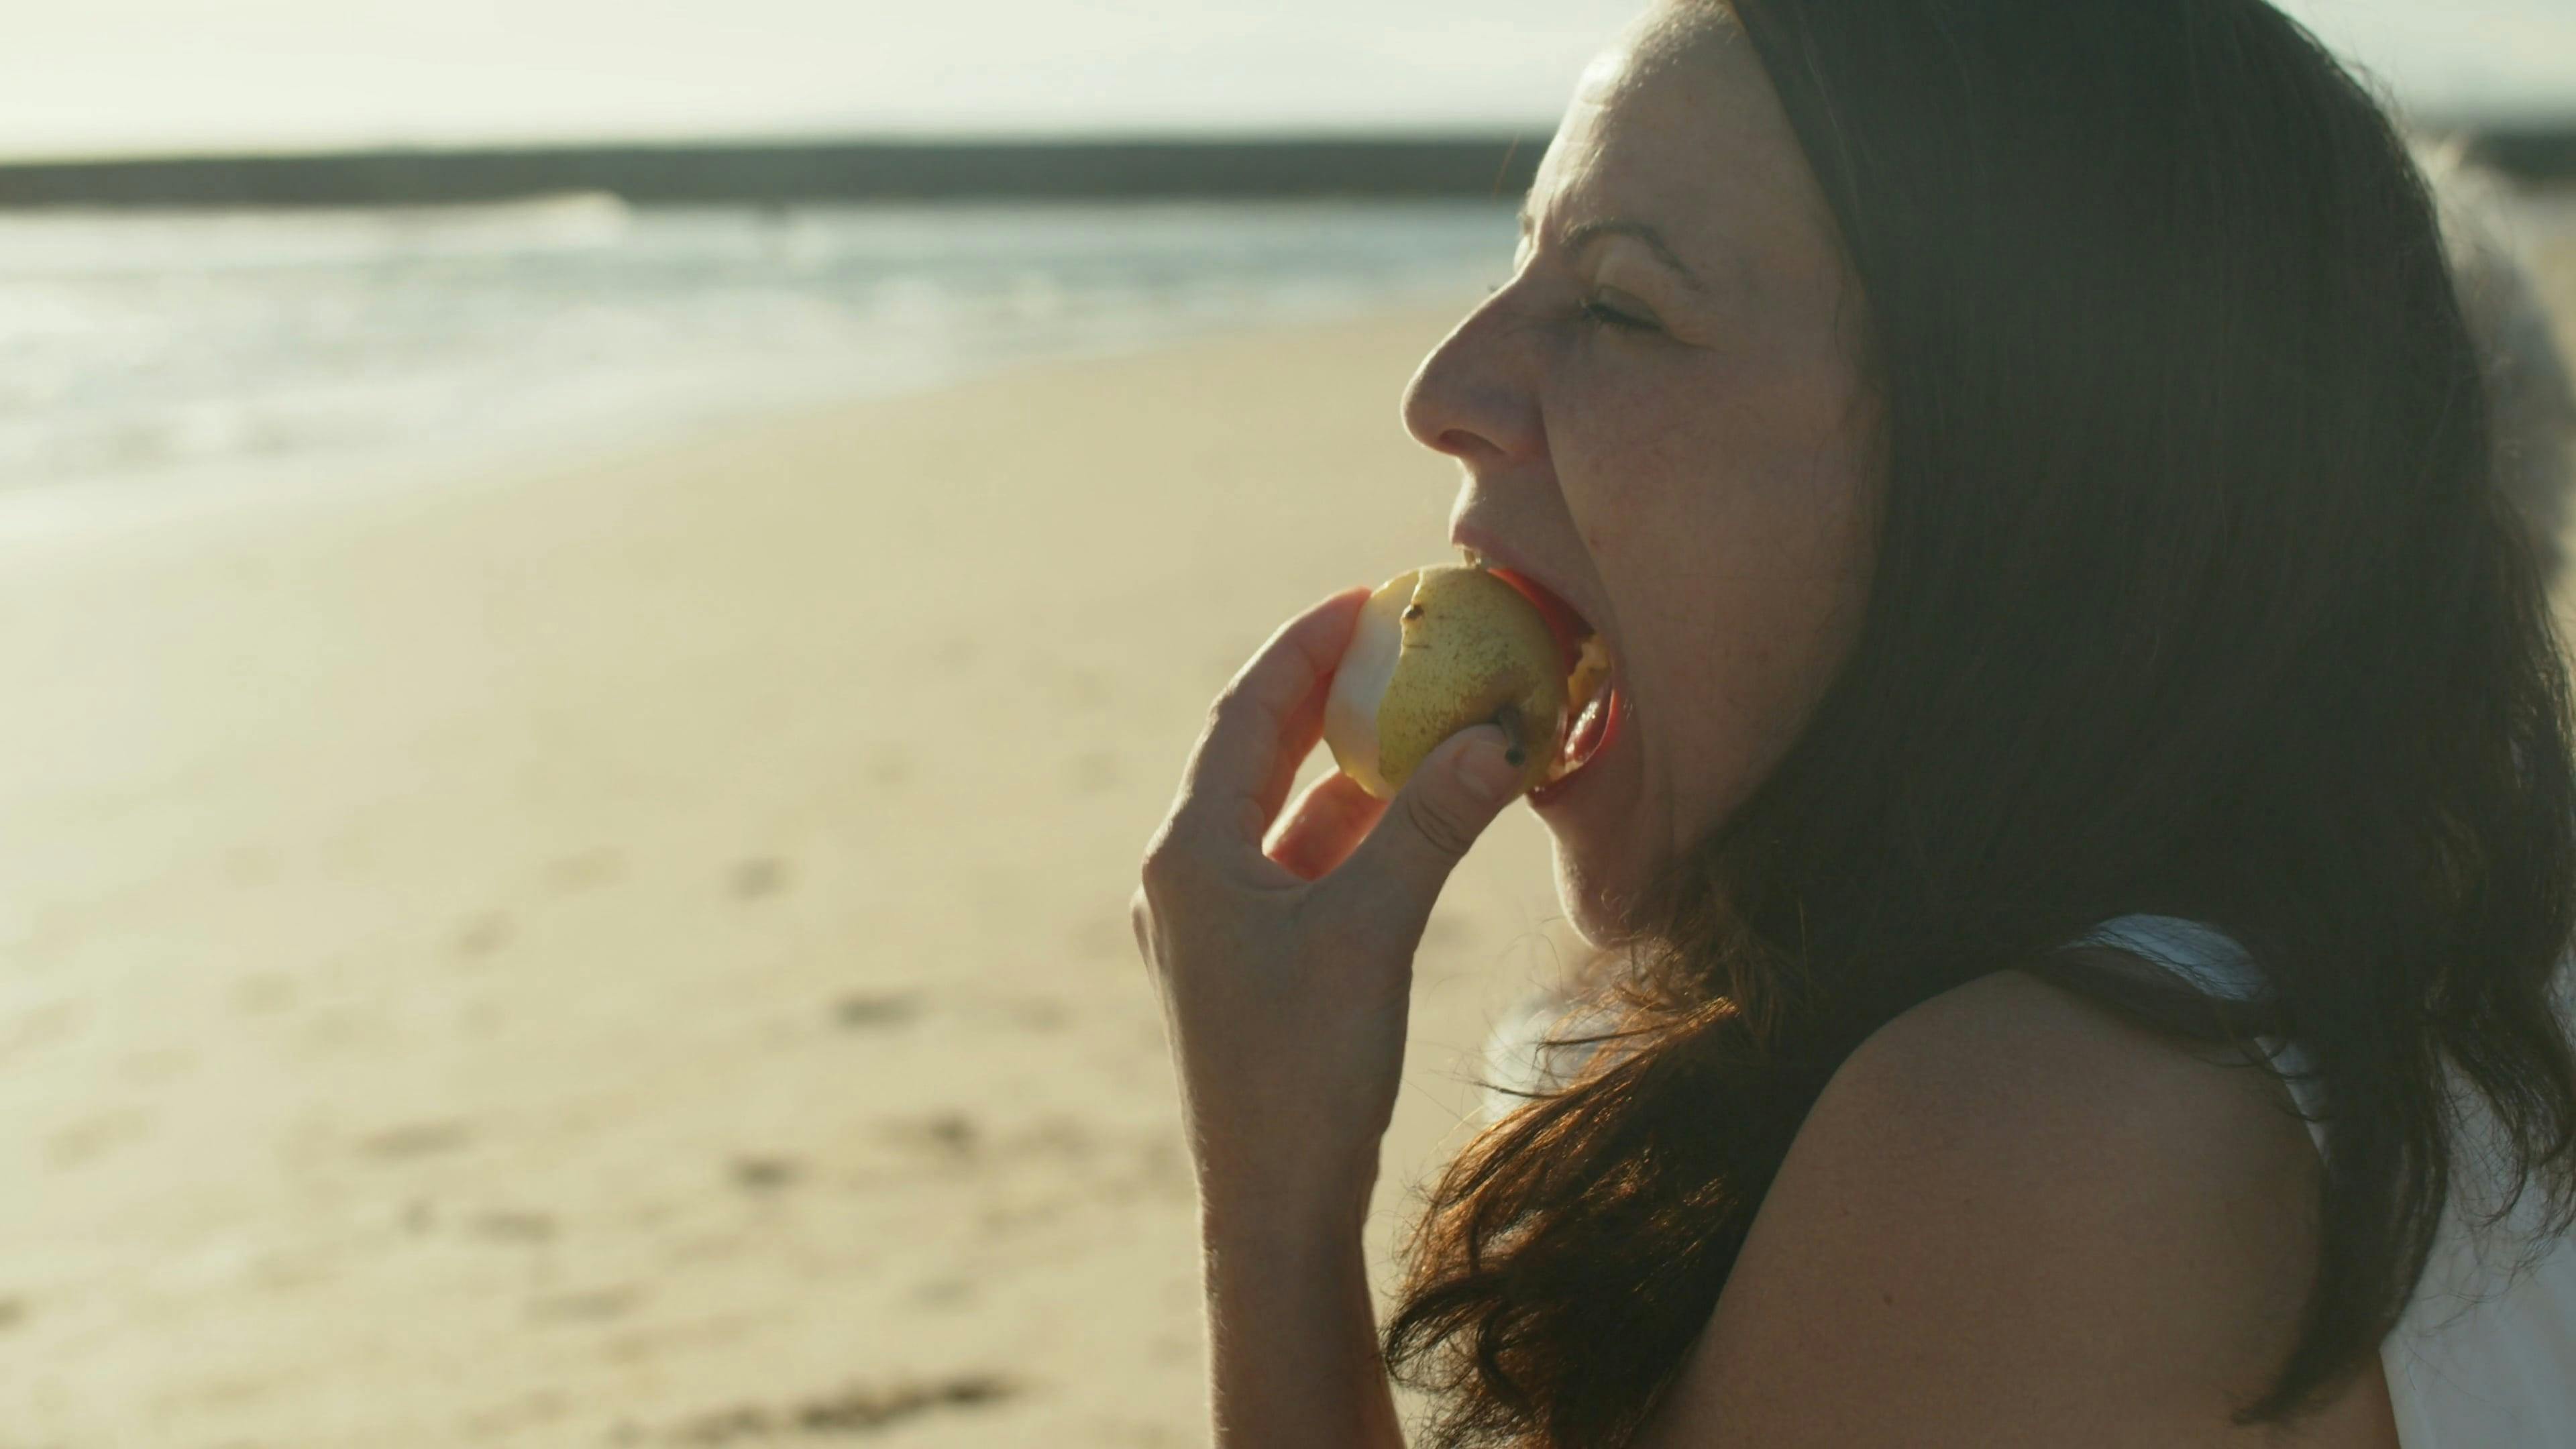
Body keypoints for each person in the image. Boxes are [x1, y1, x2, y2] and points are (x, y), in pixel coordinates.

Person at [1127, 2, 2576, 1444]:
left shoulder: (2037, 1141)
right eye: (1516, 271)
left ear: (2014, 477)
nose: (1442, 393)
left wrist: (1272, 1208)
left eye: (1619, 306)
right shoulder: (2425, 968)